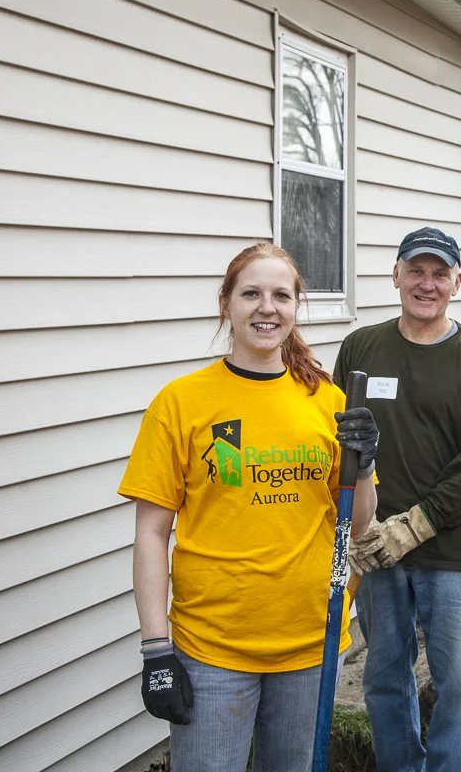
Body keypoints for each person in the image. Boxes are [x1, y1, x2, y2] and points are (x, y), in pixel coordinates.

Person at [121, 243, 380, 772]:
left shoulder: (327, 401)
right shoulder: (181, 403)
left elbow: (358, 523)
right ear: (227, 304)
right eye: (251, 294)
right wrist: (155, 648)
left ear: (295, 306)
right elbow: (151, 532)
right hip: (212, 649)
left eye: (281, 295)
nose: (267, 307)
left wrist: (368, 464)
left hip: (312, 642)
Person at [335, 226, 461, 772]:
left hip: (451, 548)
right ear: (396, 276)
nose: (426, 284)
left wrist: (417, 524)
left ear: (456, 283)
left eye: (439, 274)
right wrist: (357, 532)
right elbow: (335, 438)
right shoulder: (362, 347)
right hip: (374, 546)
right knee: (386, 675)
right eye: (416, 271)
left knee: (457, 682)